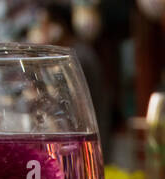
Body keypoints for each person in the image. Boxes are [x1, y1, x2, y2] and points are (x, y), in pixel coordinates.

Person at [40, 3, 113, 160]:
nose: (42, 30)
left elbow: (71, 106)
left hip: (83, 143)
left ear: (60, 25)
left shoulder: (75, 57)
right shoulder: (66, 55)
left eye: (46, 24)